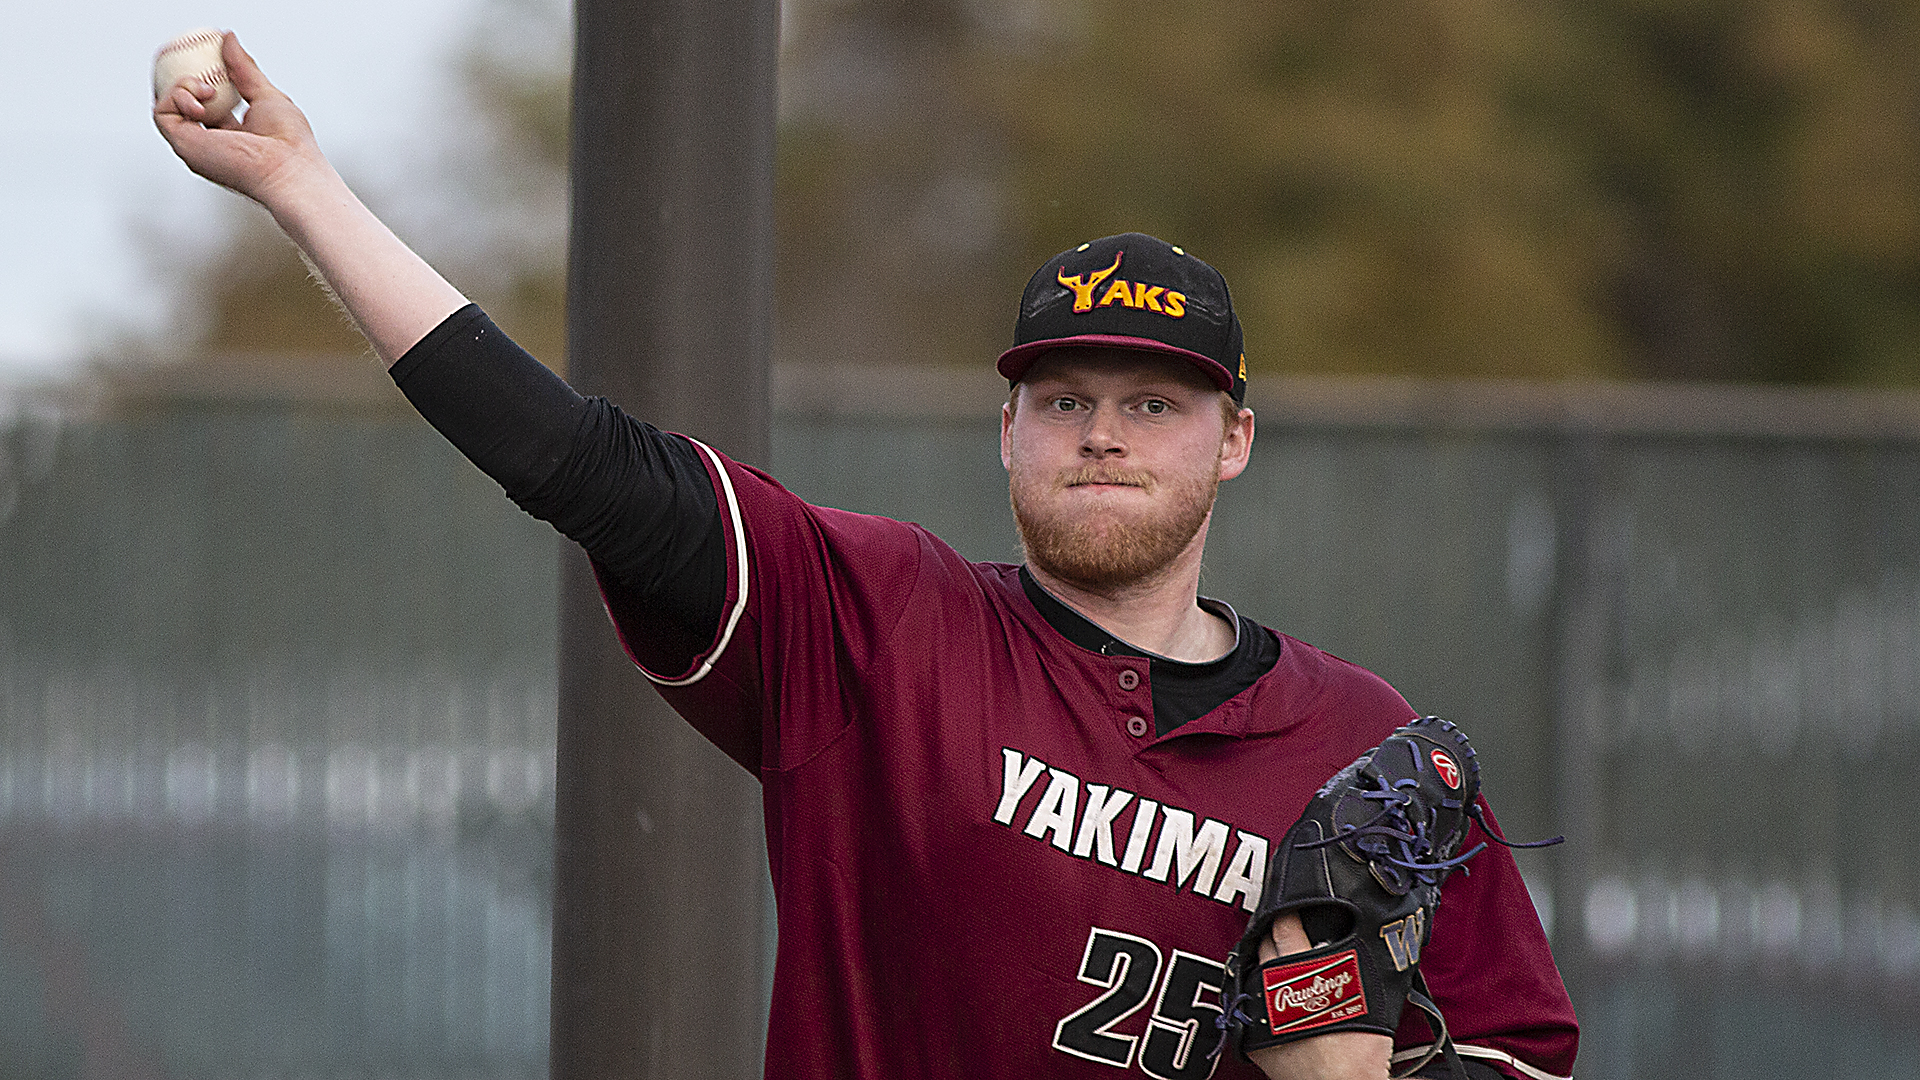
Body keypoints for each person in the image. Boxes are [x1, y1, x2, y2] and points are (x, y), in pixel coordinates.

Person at [157, 33, 1577, 1080]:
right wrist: (303, 188)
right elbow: (578, 462)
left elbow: (1521, 1052)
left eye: (1155, 405)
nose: (1103, 434)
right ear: (1006, 431)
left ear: (1236, 441)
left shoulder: (1354, 743)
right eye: (1065, 400)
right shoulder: (882, 627)